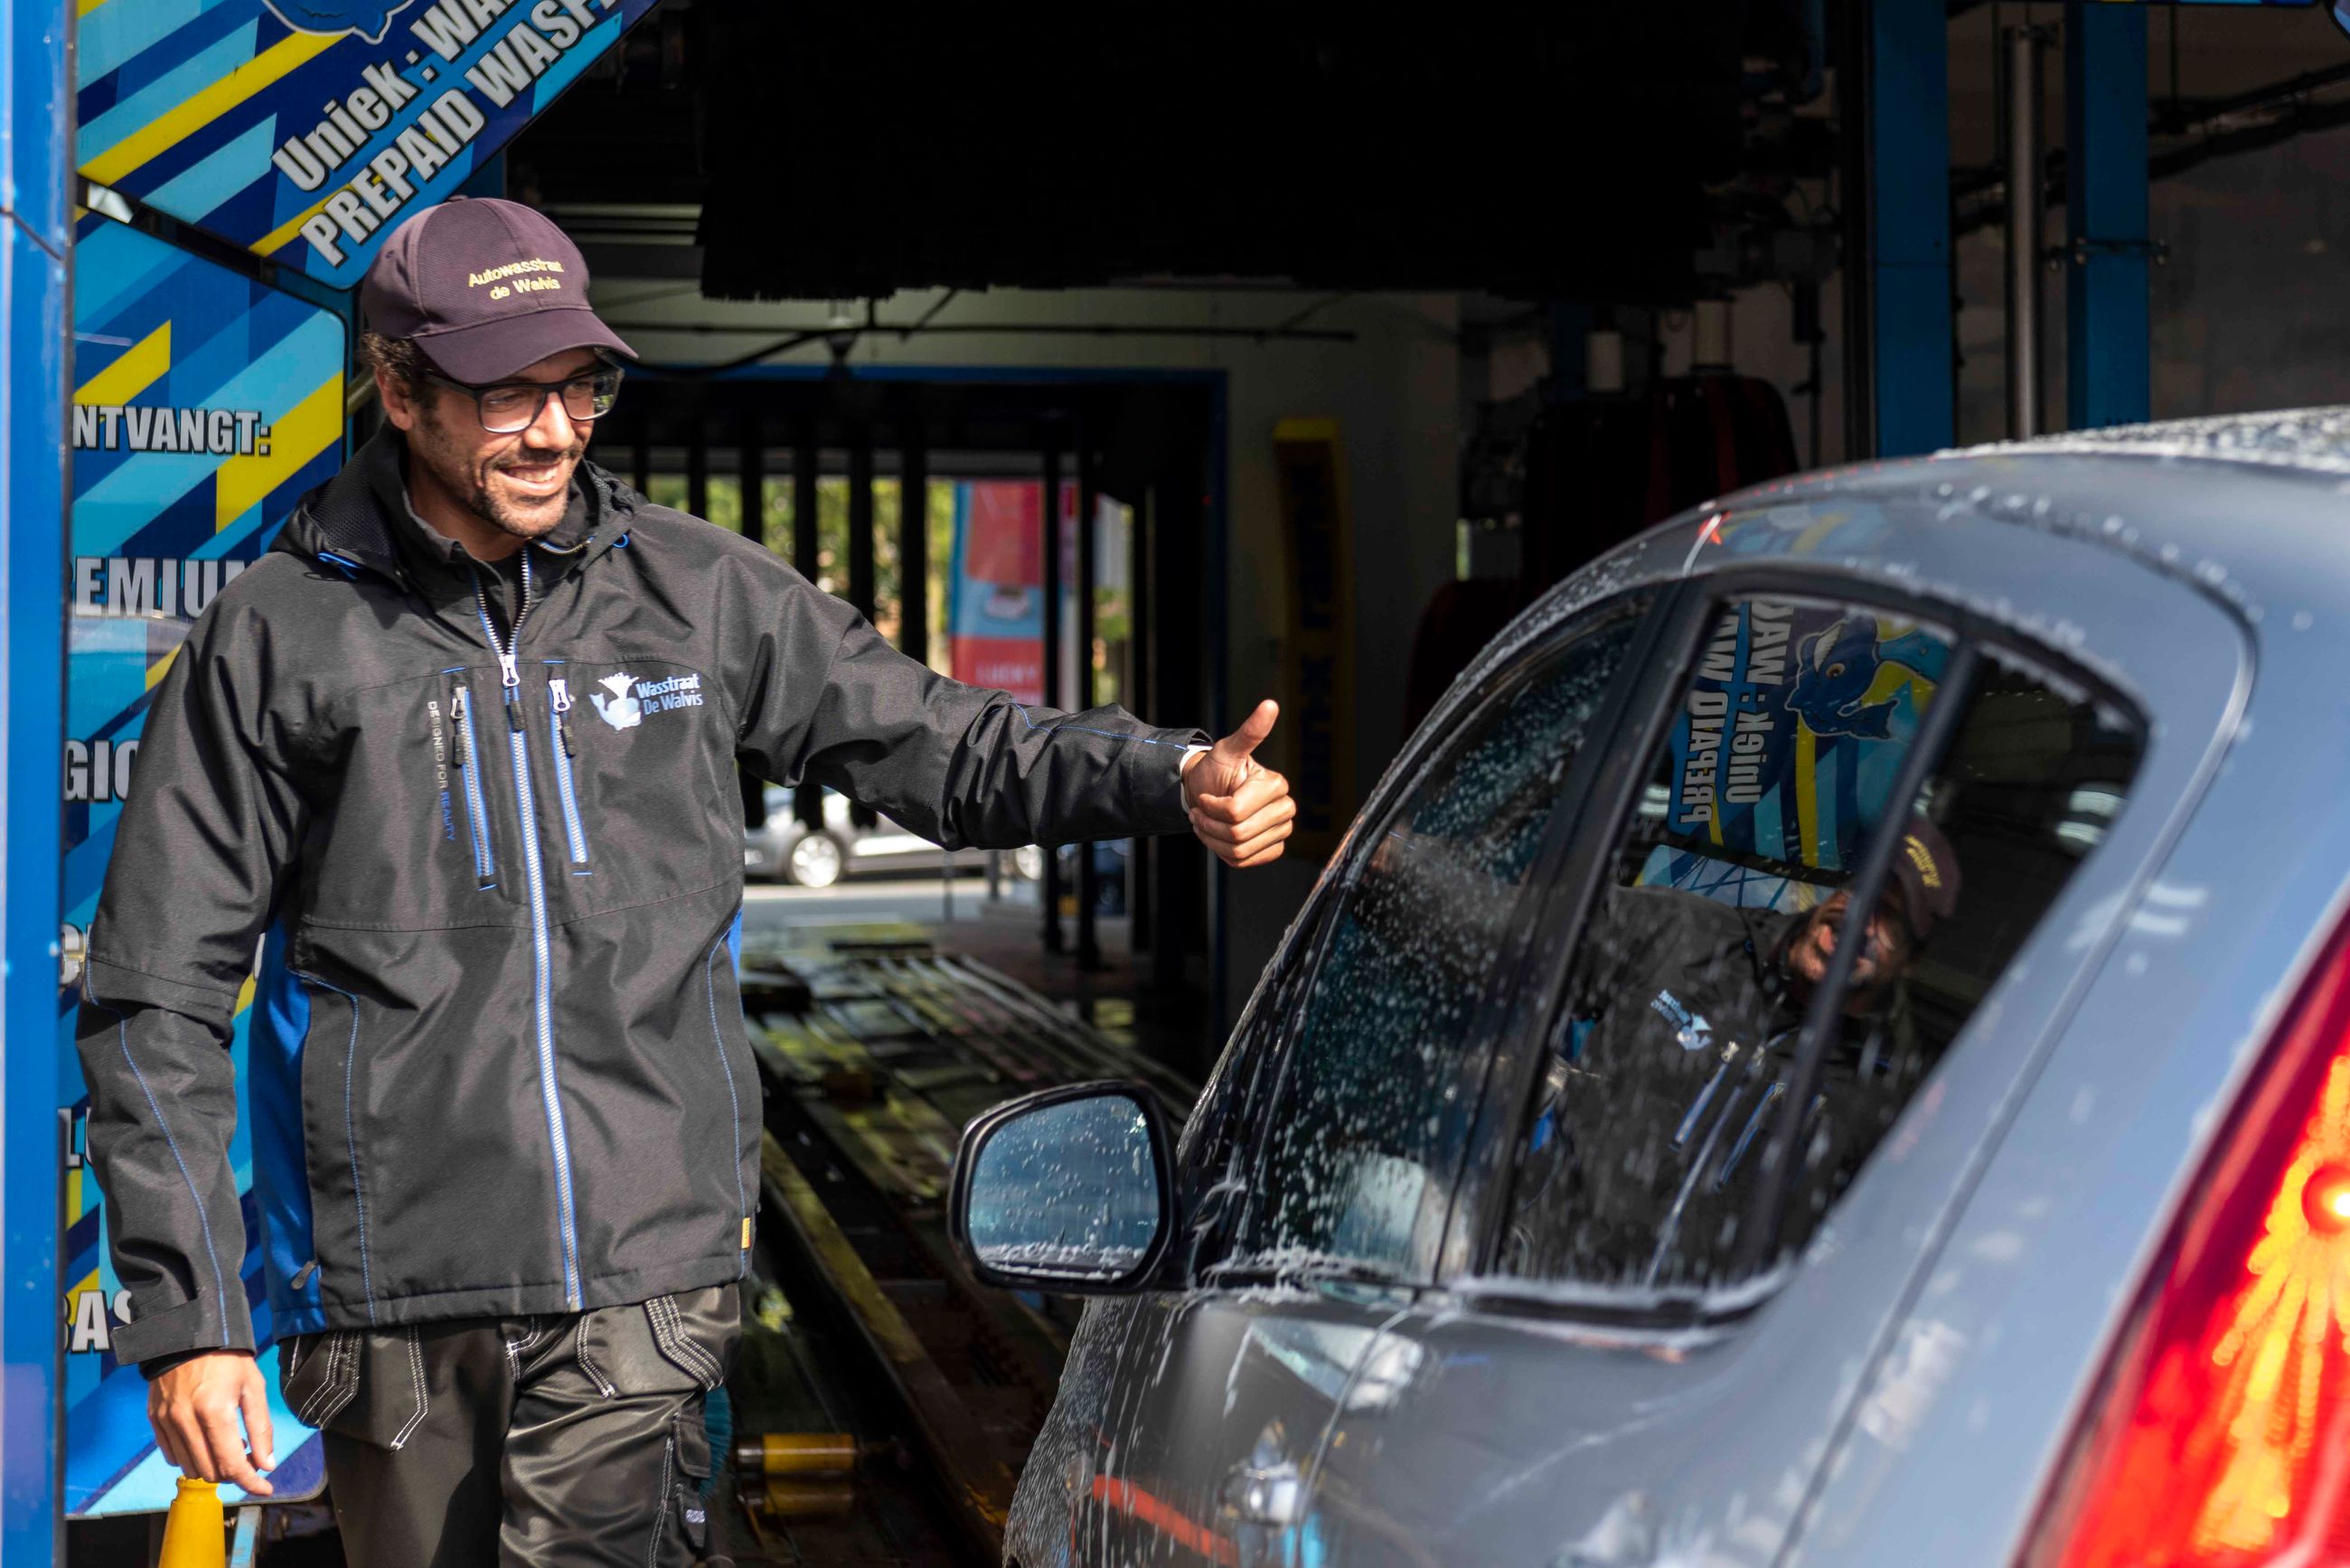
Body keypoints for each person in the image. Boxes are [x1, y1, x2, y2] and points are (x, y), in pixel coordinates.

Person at [78, 197, 1296, 1565]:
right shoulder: (275, 635)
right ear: (402, 389)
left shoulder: (696, 592)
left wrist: (1164, 772)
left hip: (644, 1292)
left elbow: (941, 743)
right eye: (506, 394)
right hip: (390, 1307)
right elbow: (153, 995)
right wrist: (193, 1318)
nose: (554, 429)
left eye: (578, 386)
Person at [1507, 816, 1960, 1283]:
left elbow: (1875, 1264)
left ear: (1912, 962)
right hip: (1528, 1283)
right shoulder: (1687, 941)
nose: (1857, 922)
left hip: (1684, 1346)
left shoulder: (1889, 1100)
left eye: (1887, 918)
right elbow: (1509, 926)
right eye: (1859, 889)